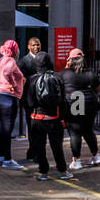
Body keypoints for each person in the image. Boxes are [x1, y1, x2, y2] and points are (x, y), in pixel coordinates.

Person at [28, 52, 74, 181]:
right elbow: (63, 100)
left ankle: (43, 172)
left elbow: (29, 102)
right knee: (57, 145)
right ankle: (63, 171)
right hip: (54, 117)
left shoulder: (32, 79)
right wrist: (63, 118)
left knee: (39, 146)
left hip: (37, 117)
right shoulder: (57, 77)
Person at [60, 48, 100, 170]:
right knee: (88, 130)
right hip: (90, 104)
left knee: (75, 132)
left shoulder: (64, 74)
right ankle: (96, 156)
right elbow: (98, 89)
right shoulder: (90, 73)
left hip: (73, 104)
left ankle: (76, 160)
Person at [0, 39, 25, 169]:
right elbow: (7, 73)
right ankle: (8, 160)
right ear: (14, 49)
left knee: (0, 128)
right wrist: (13, 85)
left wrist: (1, 84)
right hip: (8, 98)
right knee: (7, 129)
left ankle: (1, 157)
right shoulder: (11, 61)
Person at [17, 36, 51, 162]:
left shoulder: (45, 59)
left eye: (38, 45)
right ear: (28, 46)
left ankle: (34, 151)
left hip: (43, 100)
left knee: (41, 127)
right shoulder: (23, 61)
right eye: (33, 45)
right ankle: (34, 151)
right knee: (32, 127)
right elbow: (20, 79)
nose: (36, 47)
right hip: (30, 100)